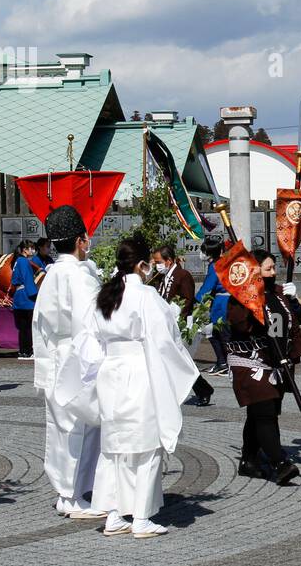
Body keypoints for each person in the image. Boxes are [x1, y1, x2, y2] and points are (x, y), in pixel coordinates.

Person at [90, 236, 199, 538]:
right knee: (148, 444)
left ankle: (113, 513)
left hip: (110, 371)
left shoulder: (105, 296)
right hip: (139, 370)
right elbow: (164, 339)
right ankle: (140, 517)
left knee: (115, 446)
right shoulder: (146, 296)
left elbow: (92, 337)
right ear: (141, 265)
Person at [31, 205, 107, 520]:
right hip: (77, 354)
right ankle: (74, 494)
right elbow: (89, 321)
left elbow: (40, 322)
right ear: (81, 240)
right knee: (80, 426)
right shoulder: (78, 275)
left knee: (61, 426)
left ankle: (68, 492)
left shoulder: (52, 273)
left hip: (56, 352)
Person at [227, 250, 301, 485]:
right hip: (251, 360)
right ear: (256, 272)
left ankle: (248, 459)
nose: (274, 273)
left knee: (261, 413)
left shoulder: (277, 293)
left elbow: (293, 325)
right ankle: (280, 463)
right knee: (265, 412)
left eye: (274, 268)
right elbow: (239, 323)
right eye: (268, 269)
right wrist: (249, 298)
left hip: (276, 360)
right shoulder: (241, 295)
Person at [151, 244, 213, 406]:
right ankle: (200, 389)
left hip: (179, 324)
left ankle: (203, 389)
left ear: (169, 261)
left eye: (158, 261)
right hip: (164, 324)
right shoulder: (162, 276)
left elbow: (187, 299)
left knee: (181, 361)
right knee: (178, 361)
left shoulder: (182, 275)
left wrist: (179, 320)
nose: (156, 265)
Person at [194, 235, 230, 375]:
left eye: (204, 251)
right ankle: (222, 362)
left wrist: (196, 301)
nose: (201, 253)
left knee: (218, 332)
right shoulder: (221, 263)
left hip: (221, 304)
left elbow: (208, 287)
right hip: (221, 301)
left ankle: (225, 363)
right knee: (215, 331)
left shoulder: (215, 266)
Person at [9, 239, 39, 359]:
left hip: (19, 295)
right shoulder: (24, 261)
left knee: (22, 327)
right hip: (26, 297)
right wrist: (35, 295)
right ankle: (27, 350)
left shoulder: (18, 260)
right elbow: (28, 280)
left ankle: (23, 350)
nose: (33, 250)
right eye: (30, 248)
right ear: (25, 250)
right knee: (27, 326)